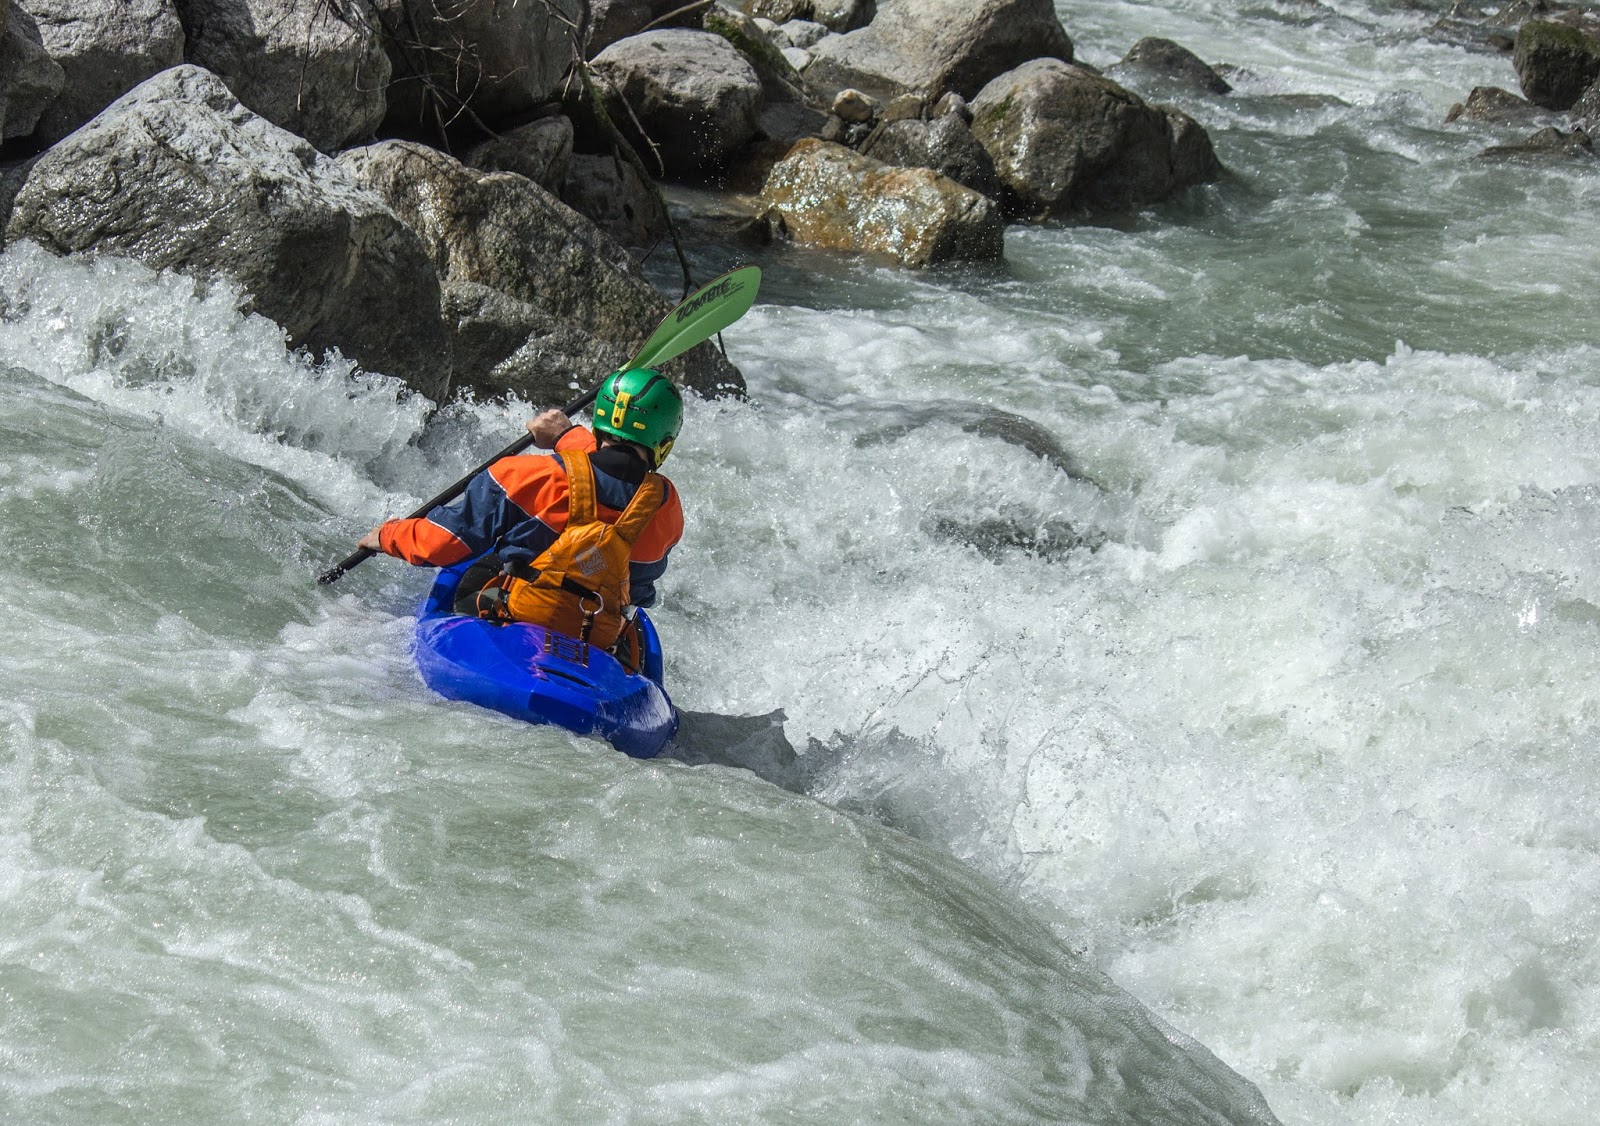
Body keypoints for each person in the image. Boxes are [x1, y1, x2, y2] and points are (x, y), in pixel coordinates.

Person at [357, 369, 685, 659]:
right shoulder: (667, 507)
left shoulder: (527, 476)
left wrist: (387, 535)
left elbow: (443, 544)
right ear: (665, 442)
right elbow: (609, 482)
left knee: (479, 561)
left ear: (600, 421)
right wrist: (566, 436)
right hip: (598, 638)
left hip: (513, 616)